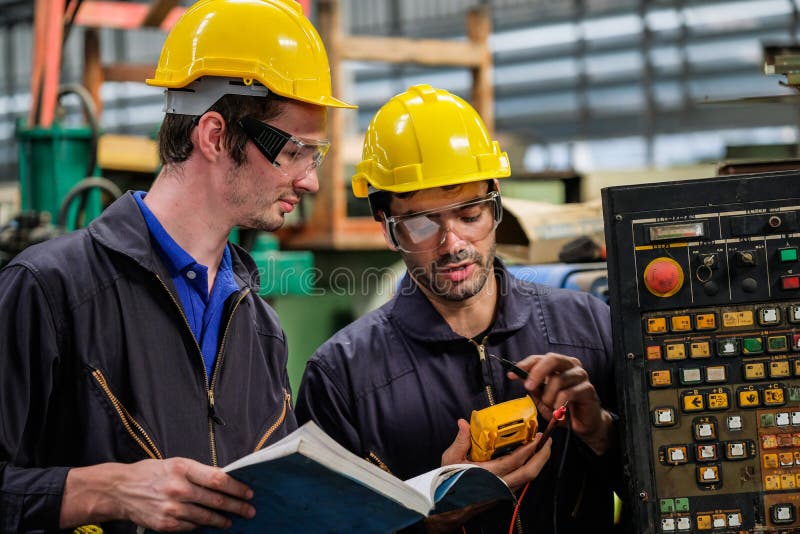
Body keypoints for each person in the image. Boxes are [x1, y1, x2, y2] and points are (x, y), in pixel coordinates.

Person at [0, 0, 354, 532]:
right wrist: (104, 490)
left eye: (316, 156)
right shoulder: (49, 292)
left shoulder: (261, 327)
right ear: (213, 135)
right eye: (296, 151)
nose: (310, 182)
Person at [295, 84, 619, 533]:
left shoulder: (590, 329)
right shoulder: (341, 377)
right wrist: (430, 520)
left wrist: (602, 432)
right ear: (388, 229)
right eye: (422, 223)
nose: (453, 245)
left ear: (497, 204)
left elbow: (671, 485)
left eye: (470, 215)